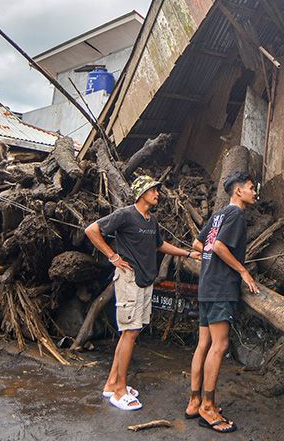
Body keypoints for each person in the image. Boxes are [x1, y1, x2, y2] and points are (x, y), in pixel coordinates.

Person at [85, 175, 200, 411]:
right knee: (129, 332)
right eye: (153, 190)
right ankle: (120, 391)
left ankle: (111, 384)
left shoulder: (151, 220)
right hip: (129, 279)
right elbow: (92, 230)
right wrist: (113, 256)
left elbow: (160, 245)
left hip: (145, 281)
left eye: (157, 190)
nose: (157, 194)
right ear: (141, 193)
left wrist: (188, 253)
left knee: (131, 332)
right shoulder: (125, 215)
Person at [185, 170, 260, 433]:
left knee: (203, 344)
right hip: (221, 288)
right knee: (220, 345)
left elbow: (198, 244)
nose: (254, 192)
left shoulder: (218, 215)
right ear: (238, 191)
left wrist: (210, 259)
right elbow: (218, 246)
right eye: (251, 187)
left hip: (207, 285)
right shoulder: (236, 215)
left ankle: (194, 402)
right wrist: (242, 271)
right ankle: (208, 406)